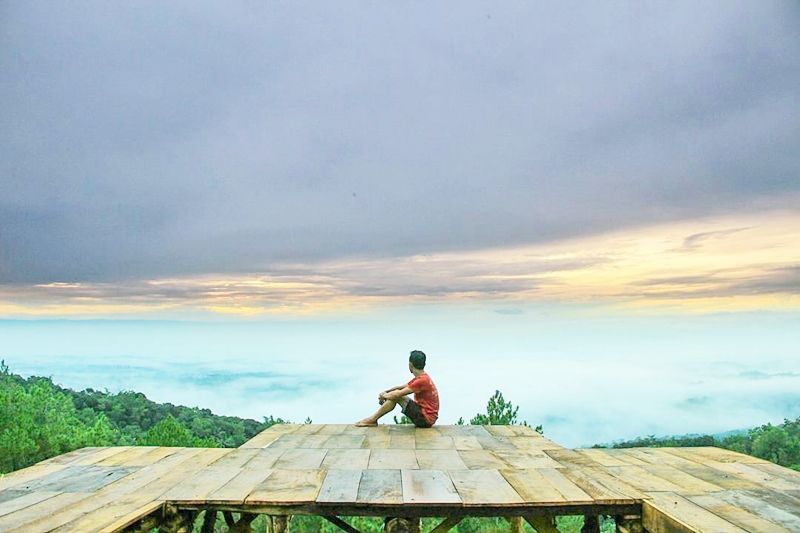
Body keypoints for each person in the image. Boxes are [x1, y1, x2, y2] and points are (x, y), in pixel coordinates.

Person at [356, 350, 439, 428]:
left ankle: (372, 420)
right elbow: (401, 387)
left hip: (425, 420)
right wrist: (386, 392)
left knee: (397, 397)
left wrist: (383, 396)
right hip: (426, 417)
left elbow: (398, 394)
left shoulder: (422, 381)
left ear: (410, 365)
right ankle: (372, 420)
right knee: (396, 395)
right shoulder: (422, 377)